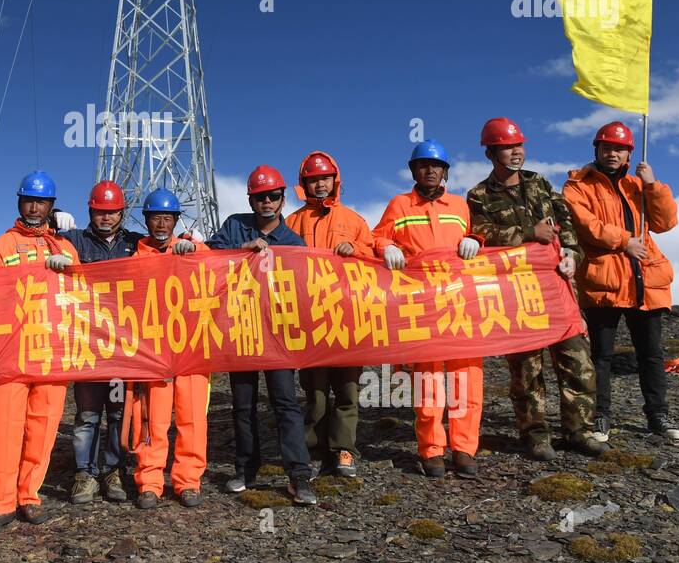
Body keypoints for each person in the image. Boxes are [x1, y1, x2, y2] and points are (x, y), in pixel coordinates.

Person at [466, 118, 606, 461]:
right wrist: (529, 233)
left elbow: (566, 224)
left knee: (577, 361)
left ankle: (579, 431)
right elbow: (480, 235)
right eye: (507, 147)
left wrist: (572, 254)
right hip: (516, 293)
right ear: (490, 152)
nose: (516, 153)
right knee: (526, 370)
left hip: (557, 288)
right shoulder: (479, 196)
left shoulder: (541, 184)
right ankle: (534, 435)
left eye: (519, 146)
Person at [562, 122, 679, 441]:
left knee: (652, 353)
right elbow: (585, 225)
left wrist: (653, 185)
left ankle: (659, 416)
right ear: (597, 150)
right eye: (606, 147)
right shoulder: (578, 186)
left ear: (629, 152)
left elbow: (666, 222)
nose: (612, 153)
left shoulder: (637, 185)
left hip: (645, 279)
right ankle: (601, 417)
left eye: (618, 148)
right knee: (601, 355)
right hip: (603, 280)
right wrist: (624, 241)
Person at [0, 170, 81, 534]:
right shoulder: (1, 246)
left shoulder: (65, 247)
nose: (34, 206)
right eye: (29, 200)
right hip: (11, 354)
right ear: (20, 203)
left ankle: (28, 496)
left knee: (43, 428)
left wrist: (67, 269)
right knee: (4, 430)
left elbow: (81, 298)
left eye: (41, 201)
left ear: (51, 206)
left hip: (52, 353)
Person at [372, 141, 486, 478]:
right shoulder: (401, 204)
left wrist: (476, 240)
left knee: (467, 380)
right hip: (421, 307)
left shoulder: (460, 205)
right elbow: (376, 237)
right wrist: (387, 246)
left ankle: (464, 450)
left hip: (461, 305)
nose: (430, 170)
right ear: (414, 171)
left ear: (446, 172)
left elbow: (482, 239)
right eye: (423, 165)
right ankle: (431, 450)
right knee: (428, 382)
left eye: (436, 165)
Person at [207, 165, 317, 506]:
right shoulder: (234, 226)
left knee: (285, 403)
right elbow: (207, 259)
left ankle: (299, 475)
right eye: (260, 197)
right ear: (251, 200)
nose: (266, 202)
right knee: (243, 404)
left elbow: (305, 289)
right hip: (241, 330)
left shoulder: (293, 243)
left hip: (278, 336)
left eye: (273, 196)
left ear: (284, 199)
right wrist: (242, 249)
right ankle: (244, 469)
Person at [285, 151, 376, 478]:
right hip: (310, 323)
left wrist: (358, 251)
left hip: (348, 320)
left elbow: (375, 259)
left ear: (335, 181)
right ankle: (313, 447)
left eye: (325, 178)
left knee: (348, 391)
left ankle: (343, 450)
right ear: (304, 183)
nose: (320, 184)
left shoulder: (354, 221)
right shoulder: (292, 222)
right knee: (316, 393)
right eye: (313, 179)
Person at [57, 180, 143, 504]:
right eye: (99, 211)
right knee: (87, 415)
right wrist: (53, 219)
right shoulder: (74, 241)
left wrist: (189, 244)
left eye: (112, 212)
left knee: (118, 414)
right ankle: (84, 475)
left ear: (121, 213)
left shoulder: (135, 244)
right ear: (90, 210)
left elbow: (164, 251)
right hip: (88, 347)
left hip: (121, 350)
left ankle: (113, 471)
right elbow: (39, 243)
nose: (105, 218)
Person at [126, 189, 210, 509]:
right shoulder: (134, 260)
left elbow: (218, 271)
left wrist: (197, 252)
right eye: (155, 218)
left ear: (176, 221)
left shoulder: (193, 249)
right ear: (146, 221)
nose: (161, 224)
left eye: (167, 218)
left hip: (191, 351)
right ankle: (149, 481)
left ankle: (188, 481)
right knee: (150, 420)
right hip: (154, 354)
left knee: (192, 419)